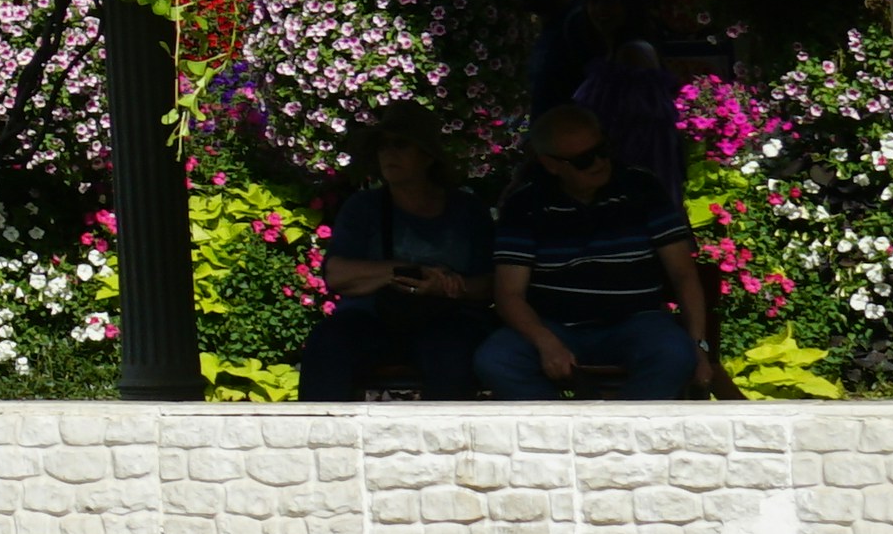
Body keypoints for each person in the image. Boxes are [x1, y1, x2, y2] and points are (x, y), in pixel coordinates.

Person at [482, 96, 716, 400]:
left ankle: (622, 438)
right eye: (583, 160)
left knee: (675, 354)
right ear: (551, 164)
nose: (599, 163)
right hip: (555, 324)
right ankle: (560, 436)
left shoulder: (641, 187)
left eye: (602, 151)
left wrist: (699, 347)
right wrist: (546, 342)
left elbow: (684, 274)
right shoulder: (525, 204)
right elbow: (509, 293)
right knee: (496, 360)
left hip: (636, 322)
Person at [299, 114, 493, 400]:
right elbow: (337, 275)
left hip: (449, 320)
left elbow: (492, 284)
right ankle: (321, 438)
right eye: (382, 146)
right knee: (328, 343)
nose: (389, 153)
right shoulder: (363, 207)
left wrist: (447, 286)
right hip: (373, 318)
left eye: (401, 145)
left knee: (452, 355)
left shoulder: (467, 210)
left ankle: (445, 442)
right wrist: (408, 271)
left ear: (427, 156)